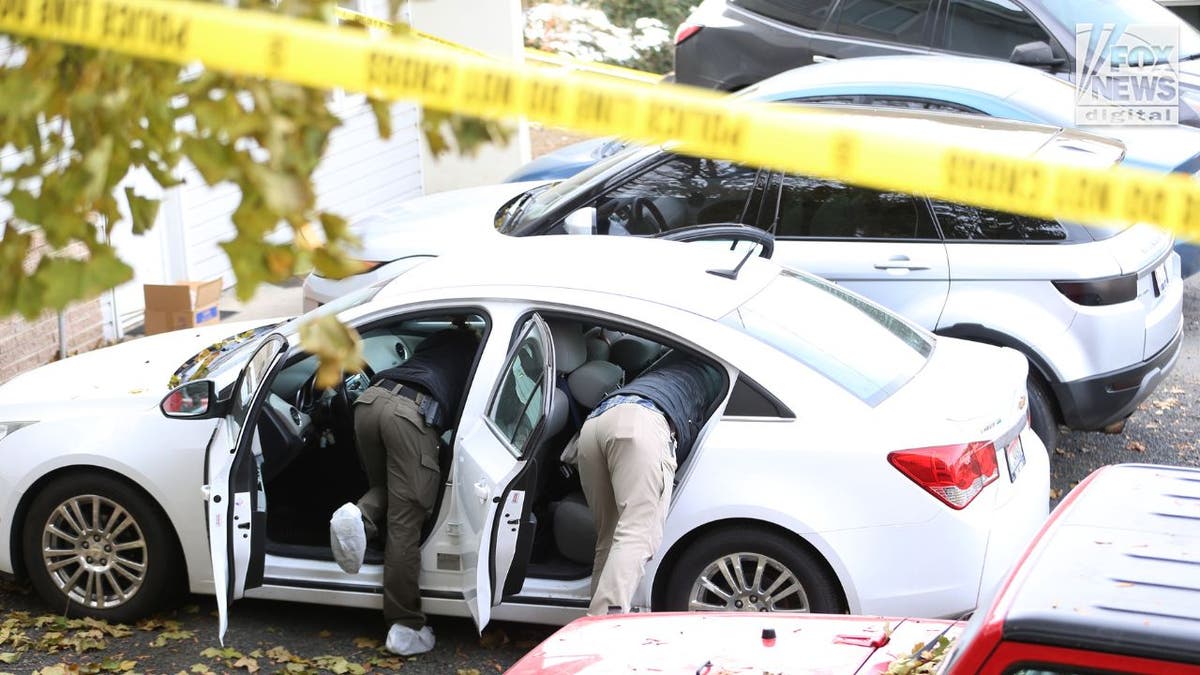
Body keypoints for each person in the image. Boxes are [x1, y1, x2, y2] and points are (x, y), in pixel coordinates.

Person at [329, 322, 479, 656]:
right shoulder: (477, 353)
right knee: (406, 518)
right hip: (413, 413)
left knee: (389, 487)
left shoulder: (438, 340)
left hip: (371, 399)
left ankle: (358, 515)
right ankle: (405, 626)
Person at [571, 351, 721, 615]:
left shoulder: (669, 360)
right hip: (643, 423)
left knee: (610, 536)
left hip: (595, 423)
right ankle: (603, 627)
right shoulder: (718, 375)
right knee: (637, 534)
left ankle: (592, 621)